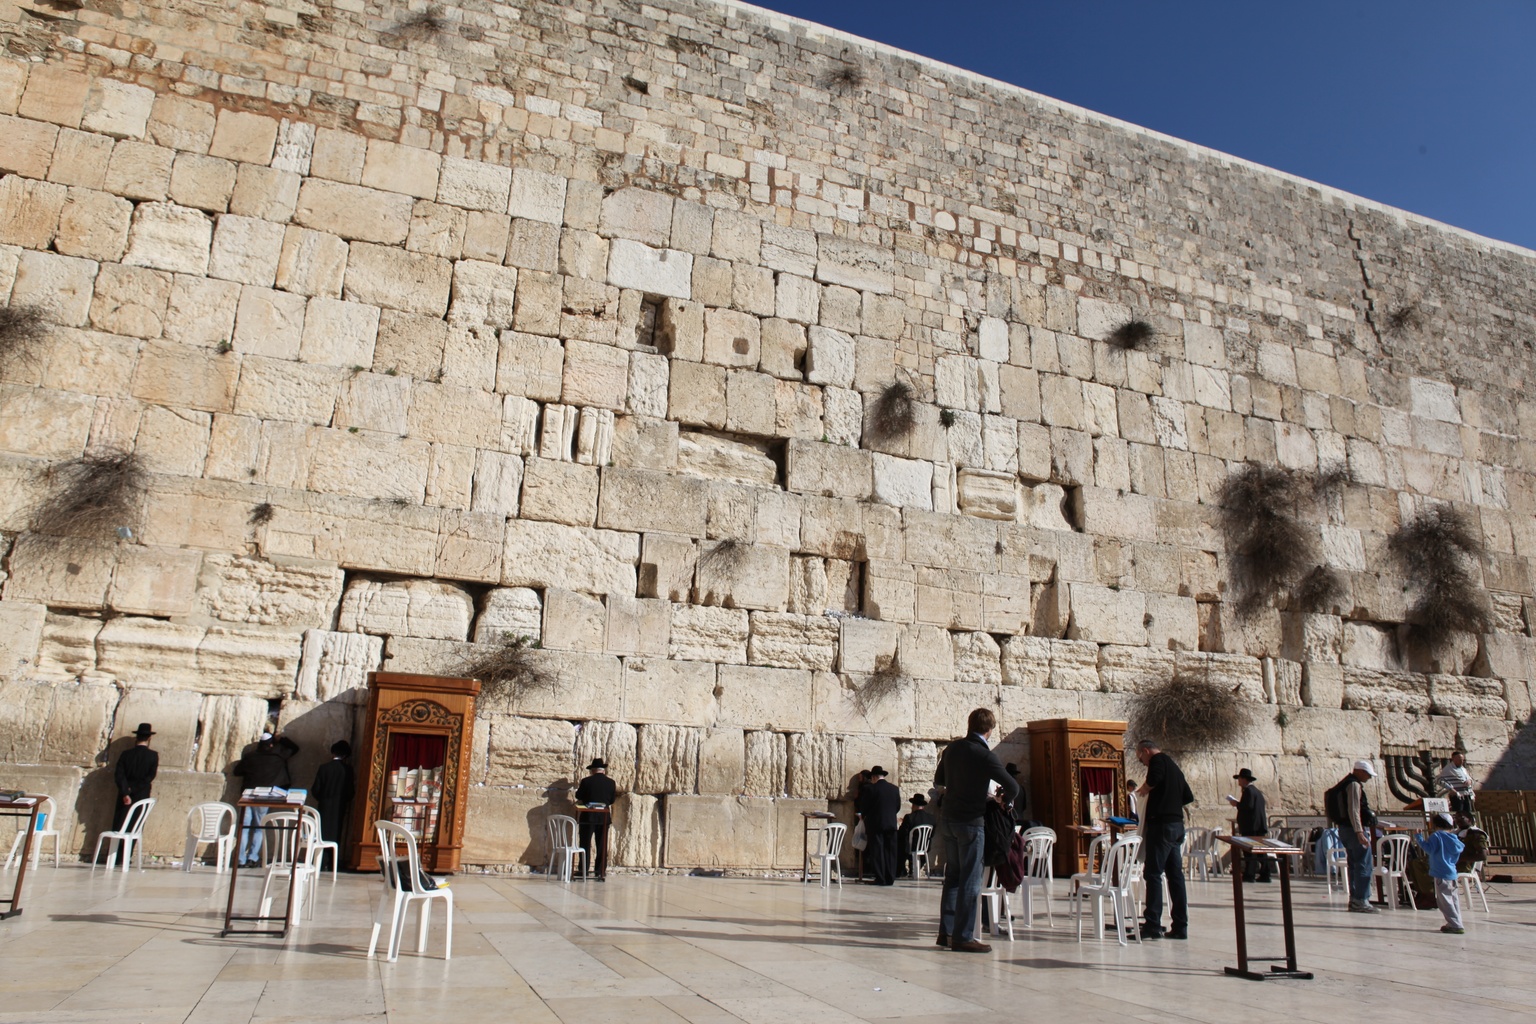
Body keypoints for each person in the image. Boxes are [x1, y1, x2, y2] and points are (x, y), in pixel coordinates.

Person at [932, 707, 1018, 953]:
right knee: (970, 879)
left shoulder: (953, 749)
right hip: (970, 821)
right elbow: (1012, 786)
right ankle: (963, 936)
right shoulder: (984, 754)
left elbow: (940, 780)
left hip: (949, 819)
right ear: (989, 730)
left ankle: (946, 932)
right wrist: (1003, 799)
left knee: (953, 877)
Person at [1135, 739, 1193, 939]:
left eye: (1141, 758)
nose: (1142, 762)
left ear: (1145, 751)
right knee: (1175, 876)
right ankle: (1180, 925)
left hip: (1161, 826)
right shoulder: (1175, 767)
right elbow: (1187, 796)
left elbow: (1155, 777)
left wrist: (1145, 789)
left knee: (1152, 874)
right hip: (1177, 827)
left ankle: (1152, 924)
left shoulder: (1158, 760)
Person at [233, 732, 300, 867]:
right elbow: (294, 748)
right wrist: (281, 738)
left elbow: (237, 772)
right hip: (264, 797)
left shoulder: (250, 757)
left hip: (247, 796)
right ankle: (252, 857)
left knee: (244, 827)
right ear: (271, 744)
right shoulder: (279, 756)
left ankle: (240, 860)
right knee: (259, 827)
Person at [1330, 759, 1379, 914]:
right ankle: (1361, 900)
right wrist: (1359, 831)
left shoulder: (1343, 784)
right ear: (1359, 771)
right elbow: (1354, 809)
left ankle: (1355, 900)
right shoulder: (1353, 785)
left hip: (1345, 829)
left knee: (1354, 864)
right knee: (1364, 865)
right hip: (1353, 830)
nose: (1369, 778)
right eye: (1367, 774)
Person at [1416, 812, 1466, 934]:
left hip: (1440, 873)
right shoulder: (1454, 838)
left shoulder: (1436, 836)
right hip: (1452, 873)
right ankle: (1457, 922)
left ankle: (1454, 924)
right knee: (1453, 900)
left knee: (1444, 901)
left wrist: (1419, 837)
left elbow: (1429, 849)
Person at [310, 740, 355, 873]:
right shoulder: (347, 770)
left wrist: (323, 799)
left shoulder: (324, 768)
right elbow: (350, 791)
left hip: (324, 806)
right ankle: (331, 862)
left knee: (321, 833)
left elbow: (315, 789)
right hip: (339, 807)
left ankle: (320, 861)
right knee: (336, 834)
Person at [857, 765, 902, 886]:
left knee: (877, 851)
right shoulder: (894, 789)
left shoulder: (870, 789)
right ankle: (890, 877)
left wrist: (865, 815)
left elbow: (864, 807)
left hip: (875, 824)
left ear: (874, 777)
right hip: (891, 824)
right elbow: (897, 807)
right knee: (890, 851)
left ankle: (880, 878)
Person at [574, 757, 617, 880]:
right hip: (604, 817)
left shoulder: (586, 781)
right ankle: (600, 870)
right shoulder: (611, 782)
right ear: (603, 770)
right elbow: (612, 800)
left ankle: (583, 869)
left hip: (588, 816)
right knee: (602, 844)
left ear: (592, 770)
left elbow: (579, 795)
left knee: (585, 843)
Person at [1226, 768, 1272, 883]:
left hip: (1252, 828)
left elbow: (1248, 807)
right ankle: (1265, 874)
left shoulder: (1249, 791)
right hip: (1258, 826)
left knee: (1250, 851)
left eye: (1239, 779)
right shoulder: (1256, 791)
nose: (1238, 782)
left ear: (1244, 779)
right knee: (1261, 853)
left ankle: (1249, 875)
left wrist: (1236, 804)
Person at [112, 723, 158, 832]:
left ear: (136, 738)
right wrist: (133, 790)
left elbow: (119, 774)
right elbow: (150, 777)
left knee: (120, 824)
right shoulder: (153, 755)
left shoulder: (126, 754)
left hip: (124, 795)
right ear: (149, 738)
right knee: (134, 826)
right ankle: (128, 849)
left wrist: (126, 792)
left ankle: (115, 849)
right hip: (141, 794)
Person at [898, 794, 936, 877]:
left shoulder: (909, 817)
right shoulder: (931, 818)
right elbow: (932, 834)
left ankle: (901, 870)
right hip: (925, 847)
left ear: (914, 805)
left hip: (911, 848)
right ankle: (914, 869)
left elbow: (902, 832)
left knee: (899, 843)